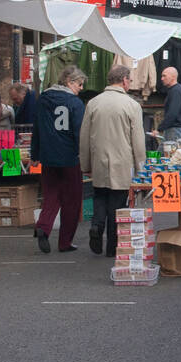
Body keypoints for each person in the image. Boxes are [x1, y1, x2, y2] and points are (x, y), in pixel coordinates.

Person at [79, 64, 147, 256]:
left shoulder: (93, 103)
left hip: (99, 160)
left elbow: (84, 137)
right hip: (122, 162)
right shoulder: (132, 105)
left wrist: (85, 164)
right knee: (117, 204)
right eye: (130, 80)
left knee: (100, 196)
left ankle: (97, 225)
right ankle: (112, 246)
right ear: (124, 80)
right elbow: (138, 141)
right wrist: (141, 168)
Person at [31, 65, 87, 254]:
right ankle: (64, 242)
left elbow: (37, 128)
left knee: (51, 195)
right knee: (71, 200)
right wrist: (85, 157)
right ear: (70, 82)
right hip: (70, 156)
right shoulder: (76, 104)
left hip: (47, 156)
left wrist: (35, 155)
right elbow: (79, 133)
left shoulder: (43, 99)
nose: (81, 88)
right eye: (79, 84)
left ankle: (43, 226)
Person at [159, 66, 181, 144]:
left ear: (173, 77)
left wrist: (159, 128)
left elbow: (172, 113)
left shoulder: (176, 91)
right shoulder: (176, 90)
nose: (162, 79)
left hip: (175, 130)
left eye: (164, 76)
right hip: (175, 130)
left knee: (169, 154)